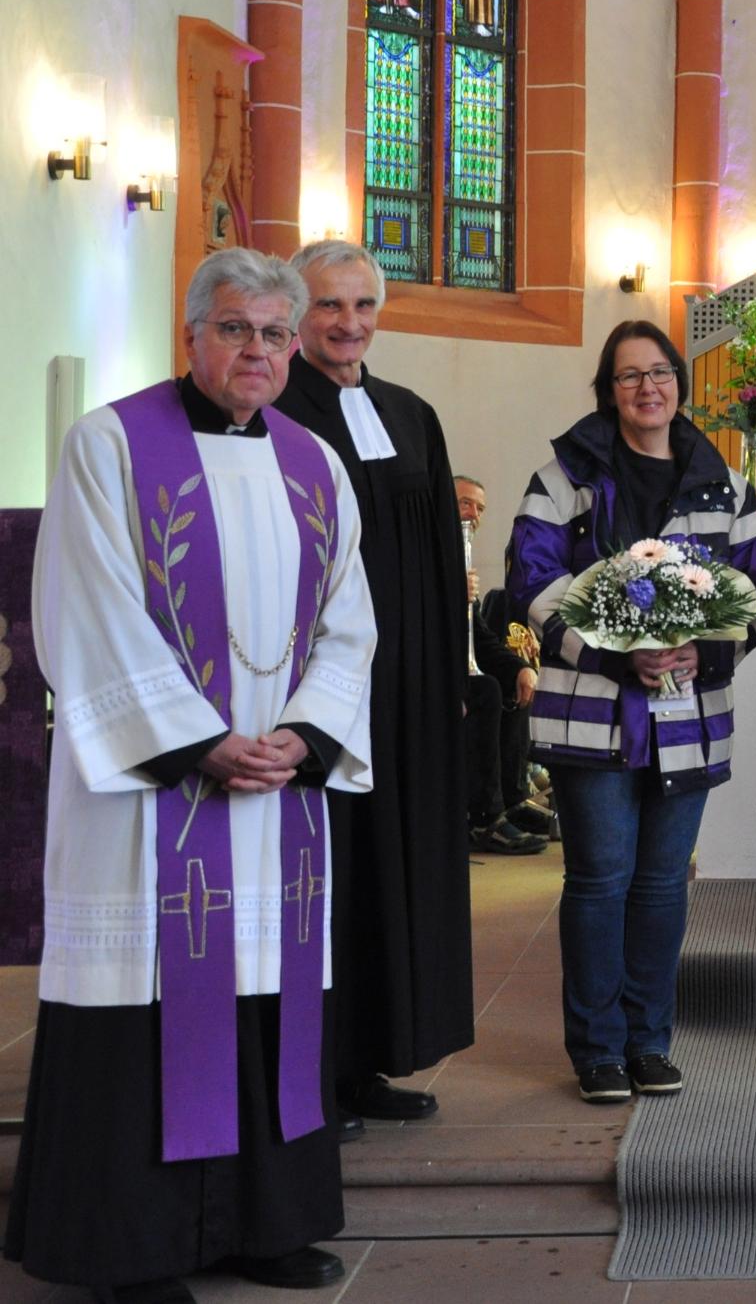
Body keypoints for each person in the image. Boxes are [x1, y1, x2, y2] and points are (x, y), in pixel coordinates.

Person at [6, 249, 376, 1302]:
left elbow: (352, 621)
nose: (255, 350)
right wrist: (194, 741)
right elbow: (89, 607)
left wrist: (305, 733)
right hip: (156, 803)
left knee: (269, 1000)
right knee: (150, 1009)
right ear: (192, 335)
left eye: (272, 333)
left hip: (276, 803)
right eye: (234, 328)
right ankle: (135, 1246)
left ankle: (265, 1221)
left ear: (293, 346)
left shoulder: (315, 462)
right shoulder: (110, 446)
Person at [508, 320, 756, 1104]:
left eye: (659, 373)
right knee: (598, 880)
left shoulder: (722, 479)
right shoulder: (565, 475)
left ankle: (649, 1042)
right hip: (589, 712)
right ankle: (596, 1049)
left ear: (679, 385)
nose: (647, 388)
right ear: (607, 390)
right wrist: (614, 651)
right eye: (628, 377)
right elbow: (531, 576)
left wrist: (706, 652)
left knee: (661, 886)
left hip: (687, 710)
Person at [279, 240, 473, 1139]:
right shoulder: (272, 408)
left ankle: (369, 1061)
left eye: (361, 305)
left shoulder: (410, 412)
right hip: (314, 687)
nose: (348, 324)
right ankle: (307, 1069)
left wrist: (444, 684)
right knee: (328, 877)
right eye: (328, 307)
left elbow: (440, 560)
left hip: (404, 693)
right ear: (298, 313)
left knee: (389, 873)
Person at [456, 474, 547, 855]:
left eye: (480, 508)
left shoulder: (461, 558)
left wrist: (519, 668)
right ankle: (484, 819)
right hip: (418, 674)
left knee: (511, 682)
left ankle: (511, 798)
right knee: (486, 690)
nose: (473, 514)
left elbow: (481, 638)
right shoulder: (418, 553)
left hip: (462, 666)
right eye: (464, 502)